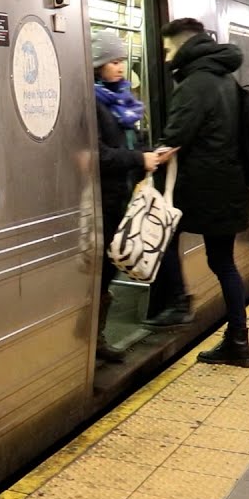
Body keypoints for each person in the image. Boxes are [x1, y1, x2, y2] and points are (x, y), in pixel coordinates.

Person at [142, 18, 249, 367]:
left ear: (183, 45)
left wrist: (145, 159)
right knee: (223, 263)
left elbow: (176, 136)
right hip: (226, 185)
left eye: (168, 49)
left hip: (204, 190)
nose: (165, 56)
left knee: (163, 233)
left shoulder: (195, 84)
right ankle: (237, 341)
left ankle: (179, 305)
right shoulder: (224, 79)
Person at [90, 29, 159, 362]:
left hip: (123, 196)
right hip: (102, 199)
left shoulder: (123, 103)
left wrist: (151, 154)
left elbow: (128, 145)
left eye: (121, 61)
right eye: (111, 61)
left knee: (111, 266)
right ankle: (95, 339)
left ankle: (96, 337)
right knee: (103, 268)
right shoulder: (94, 103)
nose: (119, 67)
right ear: (96, 66)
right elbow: (97, 154)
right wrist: (138, 159)